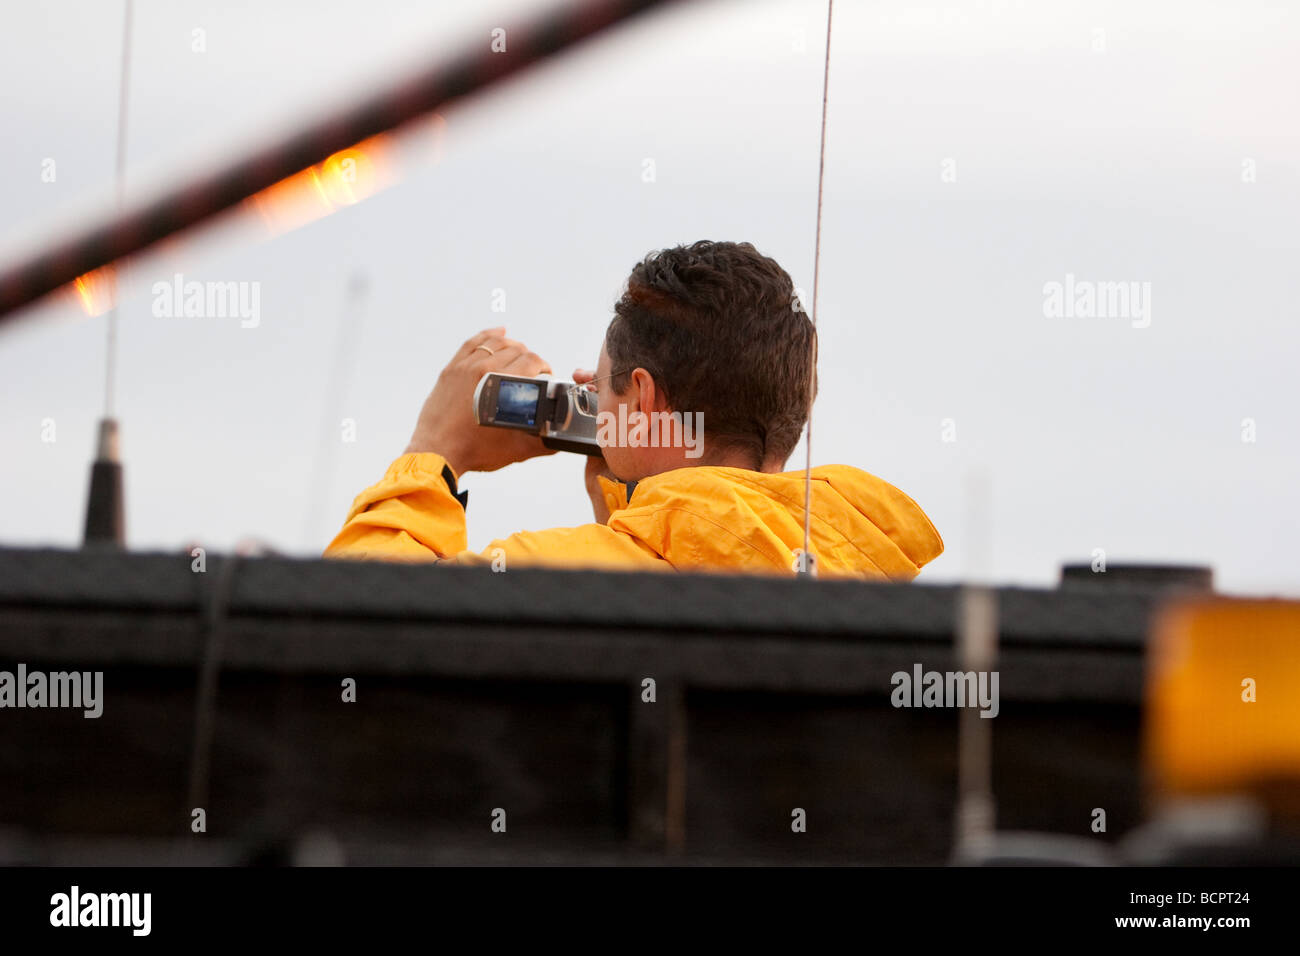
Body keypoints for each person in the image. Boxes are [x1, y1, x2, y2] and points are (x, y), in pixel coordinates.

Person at [324, 240, 942, 579]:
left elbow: (344, 630)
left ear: (643, 398)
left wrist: (432, 454)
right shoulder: (866, 574)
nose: (593, 393)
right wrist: (626, 510)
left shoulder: (563, 578)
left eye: (610, 390)